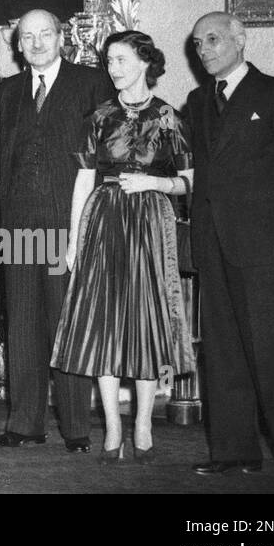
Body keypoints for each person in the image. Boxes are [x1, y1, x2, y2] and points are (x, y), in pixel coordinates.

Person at [184, 12, 274, 487]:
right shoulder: (197, 102)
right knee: (220, 351)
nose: (204, 49)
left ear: (241, 41)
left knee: (269, 352)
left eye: (214, 39)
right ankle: (234, 451)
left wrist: (273, 233)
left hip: (262, 247)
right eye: (198, 43)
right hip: (213, 245)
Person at [51, 31, 194, 463]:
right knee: (105, 324)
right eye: (109, 61)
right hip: (103, 221)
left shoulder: (168, 116)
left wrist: (155, 183)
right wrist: (74, 240)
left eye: (121, 60)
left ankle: (144, 424)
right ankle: (113, 426)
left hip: (150, 222)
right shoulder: (100, 116)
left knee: (145, 321)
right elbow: (82, 179)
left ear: (145, 62)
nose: (113, 68)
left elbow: (190, 179)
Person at [0, 10, 112, 453]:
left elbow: (106, 158)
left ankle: (77, 428)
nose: (37, 43)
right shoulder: (6, 90)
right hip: (16, 224)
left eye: (45, 34)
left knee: (67, 323)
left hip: (68, 226)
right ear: (18, 44)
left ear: (62, 38)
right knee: (20, 323)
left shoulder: (92, 84)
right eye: (28, 37)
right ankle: (24, 423)